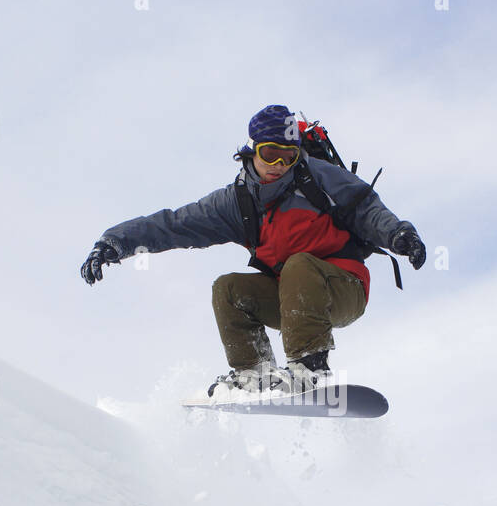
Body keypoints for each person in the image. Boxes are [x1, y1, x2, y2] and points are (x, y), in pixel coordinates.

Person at [80, 104, 426, 396]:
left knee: (299, 265)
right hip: (292, 301)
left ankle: (310, 368)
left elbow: (365, 207)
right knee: (229, 289)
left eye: (287, 157)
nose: (278, 164)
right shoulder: (237, 203)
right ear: (251, 150)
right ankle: (255, 374)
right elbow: (175, 224)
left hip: (343, 287)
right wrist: (116, 242)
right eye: (269, 153)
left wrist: (399, 234)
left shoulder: (317, 178)